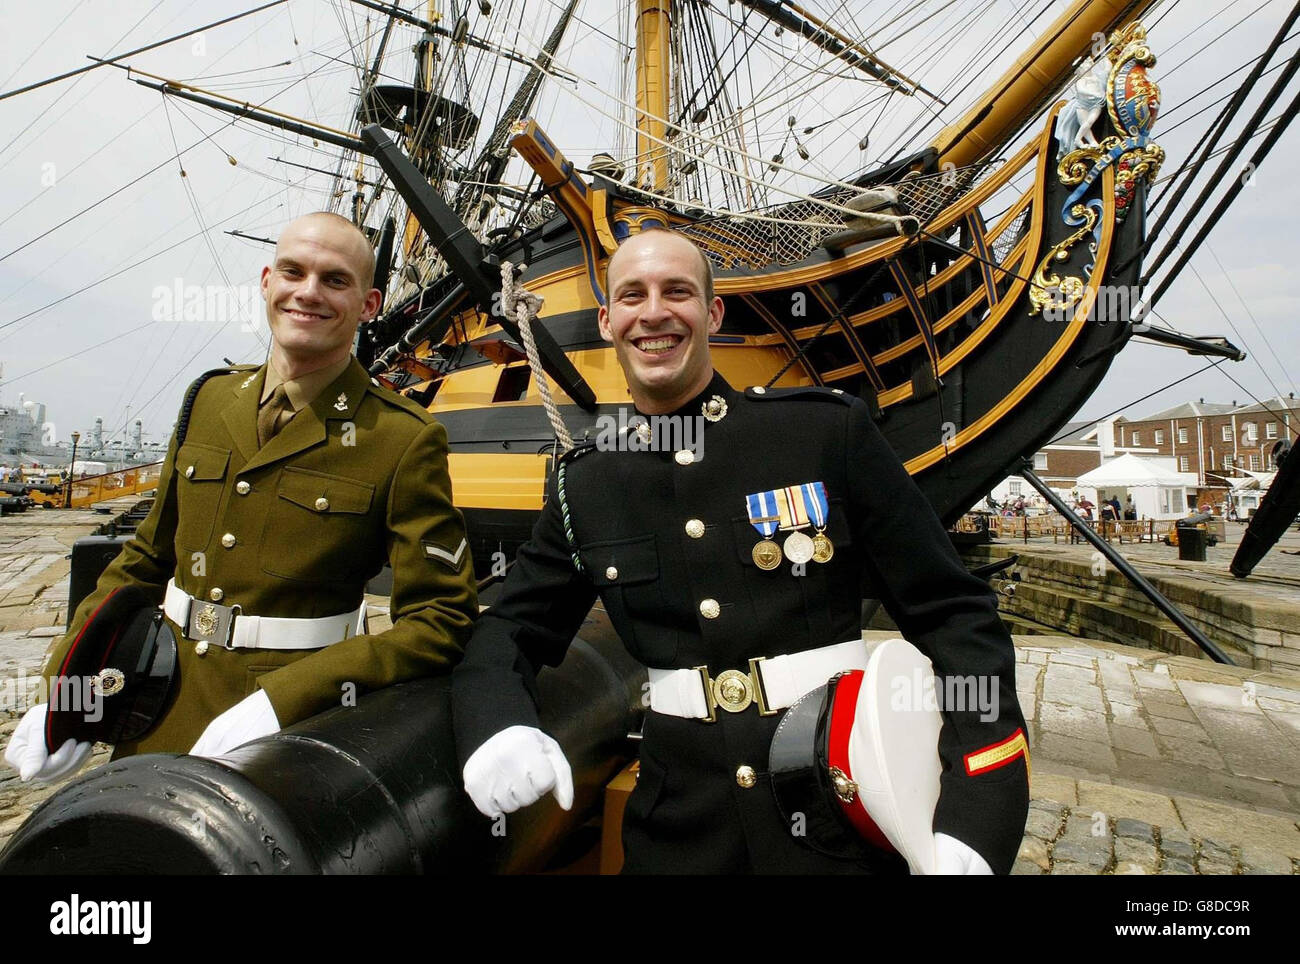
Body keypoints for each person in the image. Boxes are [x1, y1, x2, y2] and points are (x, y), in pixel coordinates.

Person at [452, 228, 1028, 874]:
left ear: (713, 313)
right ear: (608, 321)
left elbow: (954, 615)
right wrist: (497, 724)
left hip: (843, 813)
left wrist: (979, 810)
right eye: (632, 296)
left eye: (678, 292)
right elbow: (510, 630)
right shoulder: (588, 484)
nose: (655, 313)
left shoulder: (823, 433)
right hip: (680, 835)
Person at [5, 212, 478, 782]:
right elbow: (142, 562)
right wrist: (70, 689)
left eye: (334, 280)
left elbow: (440, 619)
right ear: (265, 282)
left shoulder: (401, 438)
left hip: (287, 732)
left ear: (369, 303)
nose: (308, 292)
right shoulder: (208, 399)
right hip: (157, 706)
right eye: (292, 271)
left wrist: (286, 699)